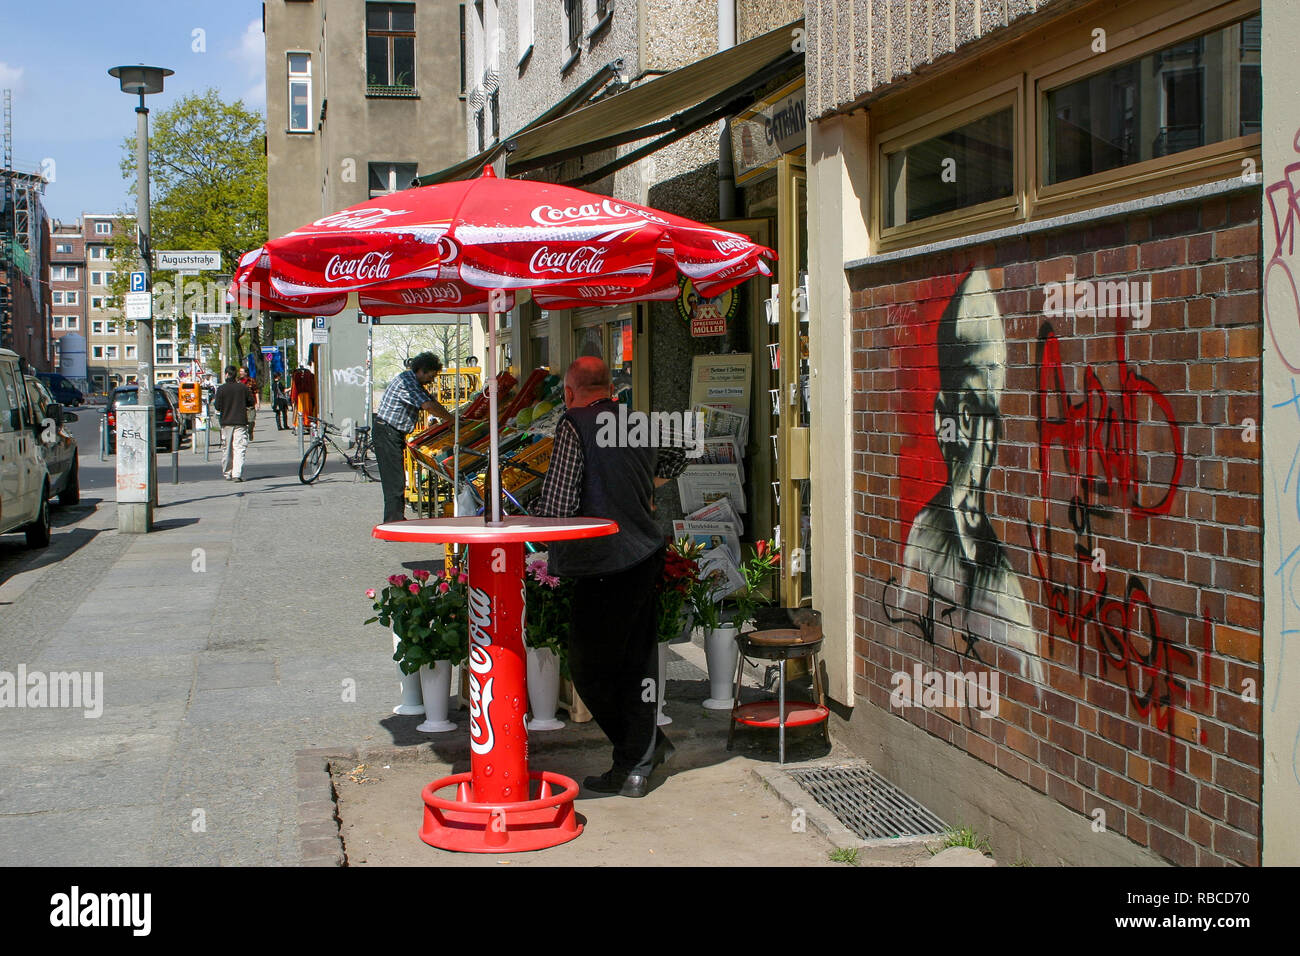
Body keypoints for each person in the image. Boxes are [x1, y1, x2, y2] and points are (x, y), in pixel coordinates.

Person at [533, 357, 687, 798]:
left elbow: (560, 508)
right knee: (636, 664)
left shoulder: (573, 424)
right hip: (645, 553)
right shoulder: (636, 420)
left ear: (569, 391)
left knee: (589, 667)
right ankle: (634, 766)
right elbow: (681, 453)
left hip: (602, 561)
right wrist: (645, 489)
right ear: (610, 387)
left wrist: (527, 517)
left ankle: (642, 752)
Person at [883, 268, 1042, 686]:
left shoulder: (1005, 566)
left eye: (995, 413)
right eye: (973, 411)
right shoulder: (927, 535)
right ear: (944, 420)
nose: (986, 441)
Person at [374, 352, 454, 523]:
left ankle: (395, 519)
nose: (431, 381)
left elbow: (430, 400)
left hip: (391, 433)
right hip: (387, 433)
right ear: (421, 371)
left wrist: (449, 416)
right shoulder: (408, 382)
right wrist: (451, 419)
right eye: (430, 376)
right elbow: (428, 405)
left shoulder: (412, 381)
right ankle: (392, 523)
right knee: (394, 481)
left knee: (396, 479)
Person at [215, 365, 255, 482]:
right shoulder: (242, 388)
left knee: (227, 448)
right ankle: (237, 474)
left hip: (226, 422)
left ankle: (227, 472)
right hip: (240, 421)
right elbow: (251, 402)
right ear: (236, 375)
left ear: (226, 375)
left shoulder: (221, 389)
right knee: (239, 447)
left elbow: (217, 406)